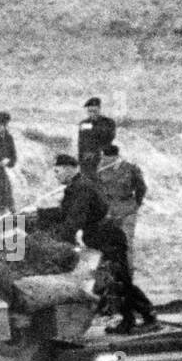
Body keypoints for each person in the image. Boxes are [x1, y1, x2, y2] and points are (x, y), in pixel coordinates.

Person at [39, 154, 155, 335]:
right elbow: (65, 212)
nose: (56, 175)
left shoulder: (81, 189)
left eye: (57, 171)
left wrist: (55, 241)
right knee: (114, 280)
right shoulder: (77, 187)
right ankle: (131, 319)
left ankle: (148, 317)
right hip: (103, 238)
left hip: (108, 239)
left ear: (69, 169)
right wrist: (39, 214)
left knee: (119, 280)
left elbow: (74, 220)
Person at [95, 143, 146, 267]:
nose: (104, 159)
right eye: (104, 157)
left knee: (126, 241)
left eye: (106, 157)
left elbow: (141, 187)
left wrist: (136, 204)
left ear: (115, 156)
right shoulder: (100, 169)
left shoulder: (130, 168)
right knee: (106, 240)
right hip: (108, 210)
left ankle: (127, 271)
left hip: (126, 209)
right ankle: (106, 269)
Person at [77, 97, 116, 176]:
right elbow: (81, 142)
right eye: (90, 111)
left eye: (94, 111)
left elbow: (109, 138)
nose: (92, 114)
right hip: (86, 159)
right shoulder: (84, 123)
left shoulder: (108, 122)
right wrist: (80, 159)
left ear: (99, 109)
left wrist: (96, 152)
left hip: (103, 158)